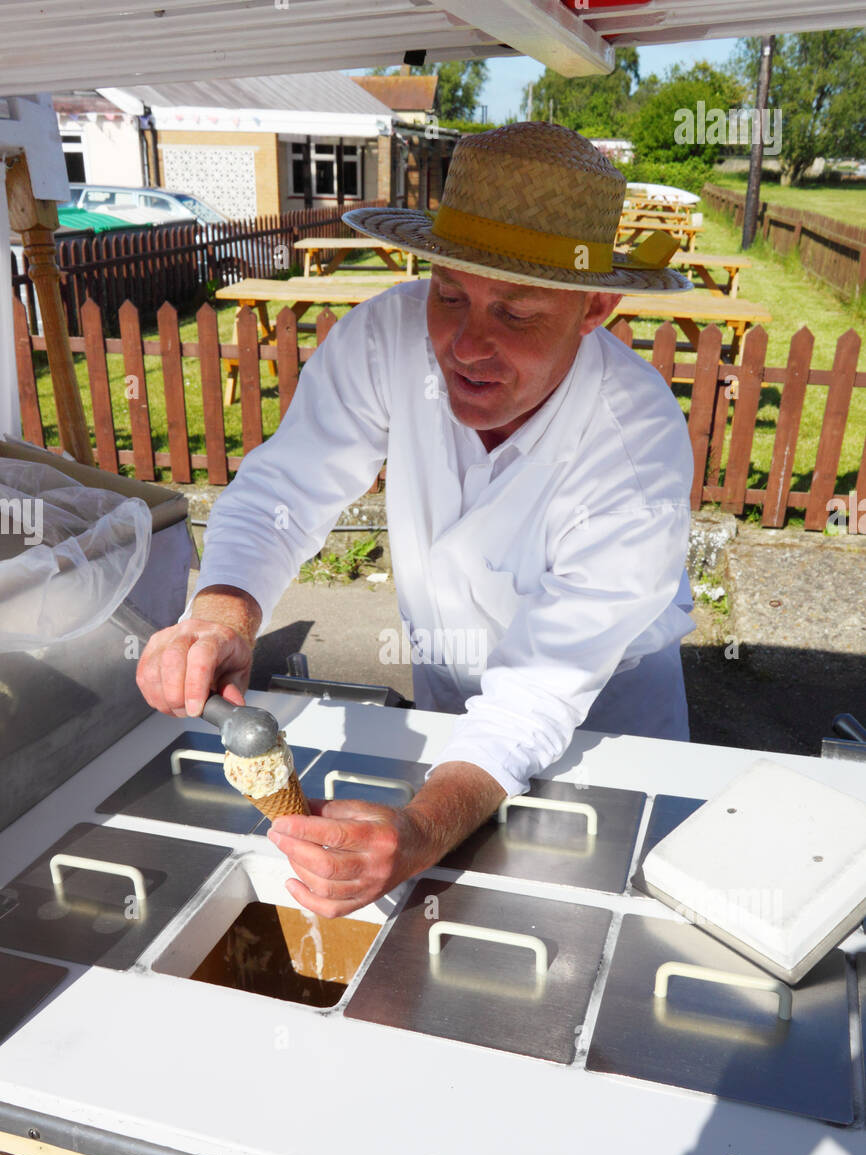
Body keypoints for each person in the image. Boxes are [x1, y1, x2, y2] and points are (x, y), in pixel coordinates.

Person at [136, 122, 696, 917]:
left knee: (580, 930)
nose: (467, 345)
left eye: (519, 311)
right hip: (450, 716)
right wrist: (224, 613)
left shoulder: (634, 446)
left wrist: (425, 828)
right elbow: (289, 483)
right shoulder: (390, 334)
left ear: (595, 307)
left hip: (604, 730)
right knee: (439, 933)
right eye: (451, 293)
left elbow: (540, 693)